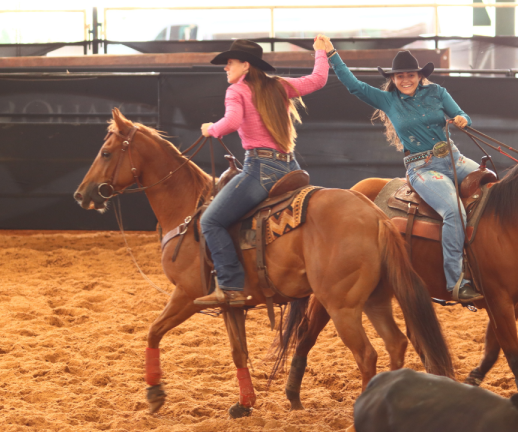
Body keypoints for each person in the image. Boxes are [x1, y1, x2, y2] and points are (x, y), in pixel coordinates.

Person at [322, 37, 483, 301]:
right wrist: (331, 54)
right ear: (393, 79)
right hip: (421, 167)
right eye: (400, 76)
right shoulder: (387, 100)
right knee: (454, 211)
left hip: (454, 158)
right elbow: (353, 85)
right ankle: (455, 281)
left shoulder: (438, 92)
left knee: (494, 187)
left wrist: (463, 119)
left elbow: (461, 113)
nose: (405, 79)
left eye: (410, 75)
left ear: (420, 76)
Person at [193, 38, 329, 306]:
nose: (225, 68)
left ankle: (231, 286)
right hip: (290, 167)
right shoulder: (279, 87)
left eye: (229, 63)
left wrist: (211, 129)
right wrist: (321, 52)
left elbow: (231, 121)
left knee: (210, 221)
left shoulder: (237, 91)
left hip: (260, 168)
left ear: (245, 65)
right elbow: (318, 80)